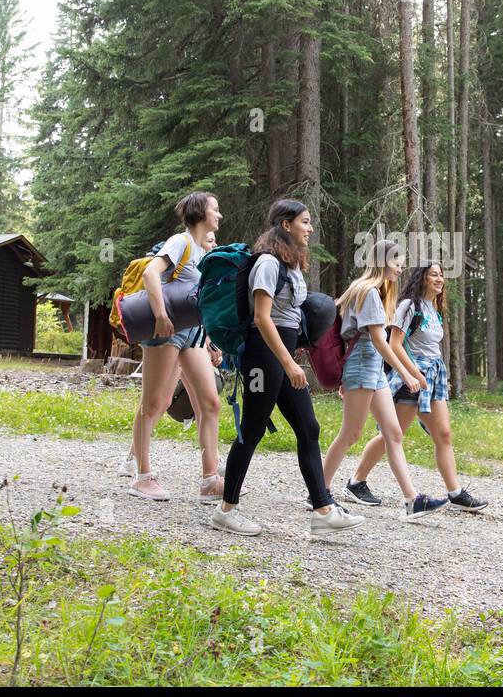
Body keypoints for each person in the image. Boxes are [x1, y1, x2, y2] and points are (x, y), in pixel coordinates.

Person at [211, 199, 364, 536]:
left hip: (280, 354)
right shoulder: (267, 263)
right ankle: (226, 509)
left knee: (308, 427)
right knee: (250, 431)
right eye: (305, 222)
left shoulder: (291, 265)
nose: (310, 229)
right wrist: (288, 363)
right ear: (285, 225)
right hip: (261, 356)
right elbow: (261, 318)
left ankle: (322, 509)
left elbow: (291, 315)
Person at [343, 263, 488, 512]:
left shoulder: (435, 309)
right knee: (393, 433)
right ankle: (356, 482)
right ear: (422, 278)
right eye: (434, 274)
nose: (439, 279)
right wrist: (412, 374)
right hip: (411, 377)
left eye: (441, 275)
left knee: (443, 434)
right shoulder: (410, 306)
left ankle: (454, 493)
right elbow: (395, 344)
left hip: (433, 376)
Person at [321, 242, 450, 521]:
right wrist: (407, 374)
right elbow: (379, 339)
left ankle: (412, 500)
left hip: (372, 368)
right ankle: (319, 492)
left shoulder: (371, 292)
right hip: (363, 365)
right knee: (350, 433)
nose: (401, 268)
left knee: (393, 433)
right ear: (383, 262)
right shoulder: (367, 291)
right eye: (397, 263)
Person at [121, 192, 225, 504]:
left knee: (210, 403)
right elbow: (152, 273)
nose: (219, 215)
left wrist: (210, 342)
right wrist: (161, 315)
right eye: (215, 210)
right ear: (200, 213)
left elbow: (198, 302)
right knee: (155, 403)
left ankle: (210, 480)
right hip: (165, 332)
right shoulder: (180, 241)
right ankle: (142, 476)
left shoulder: (203, 251)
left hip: (191, 335)